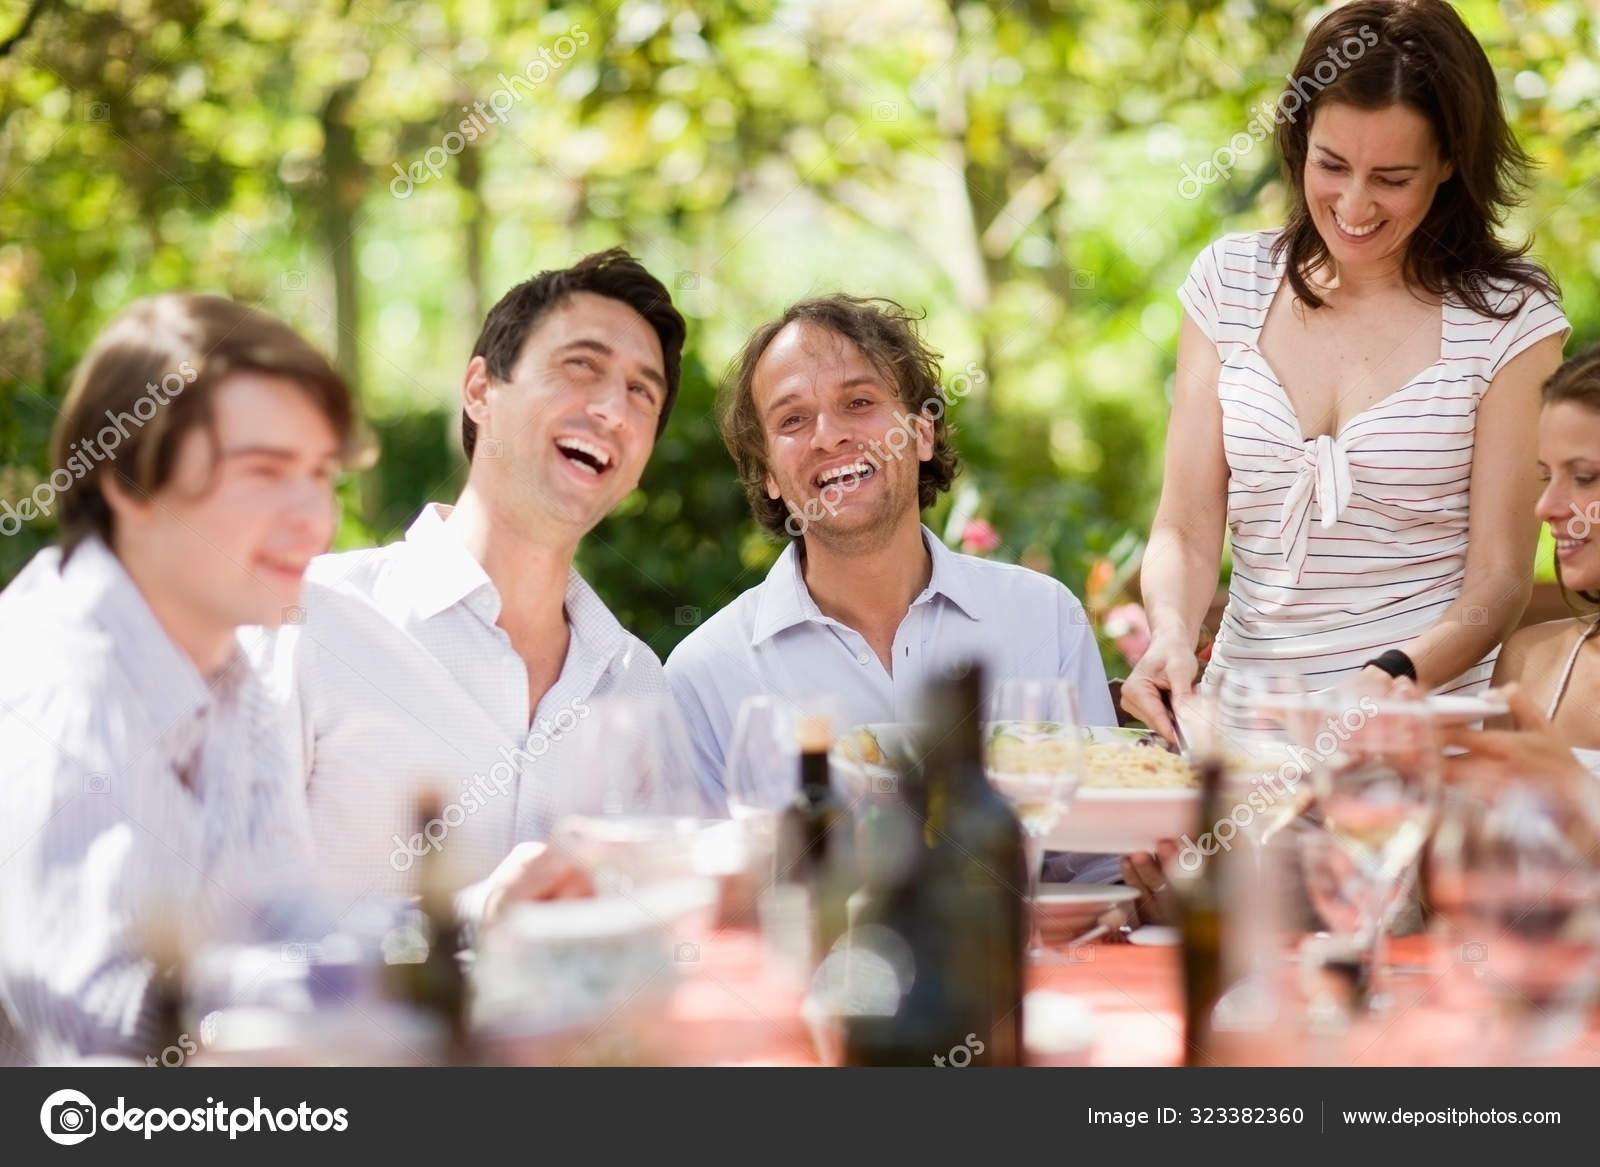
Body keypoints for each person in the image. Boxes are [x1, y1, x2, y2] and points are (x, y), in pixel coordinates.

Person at [1122, 0, 1569, 744]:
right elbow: (1187, 527)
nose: (1353, 205)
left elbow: (1499, 579)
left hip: (1414, 739)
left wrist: (1388, 676)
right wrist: (1170, 632)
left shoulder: (1509, 320)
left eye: (1392, 178)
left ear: (1449, 163)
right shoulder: (1229, 282)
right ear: (1300, 143)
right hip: (1233, 739)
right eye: (1331, 165)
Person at [273, 249, 706, 919]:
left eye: (641, 392)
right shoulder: (308, 620)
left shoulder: (636, 684)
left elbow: (670, 925)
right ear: (480, 390)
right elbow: (221, 924)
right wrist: (469, 918)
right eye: (581, 366)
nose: (612, 408)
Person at [0, 294, 361, 1062]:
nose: (314, 519)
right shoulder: (51, 687)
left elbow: (294, 921)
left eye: (321, 474)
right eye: (265, 472)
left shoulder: (234, 674)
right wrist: (362, 995)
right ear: (128, 481)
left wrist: (472, 931)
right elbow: (101, 1009)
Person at [665, 294, 1119, 885]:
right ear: (771, 475)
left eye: (859, 402)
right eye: (793, 419)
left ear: (921, 432)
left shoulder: (1045, 618)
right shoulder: (703, 674)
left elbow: (1099, 865)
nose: (829, 435)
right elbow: (699, 899)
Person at [1443, 346, 1600, 793]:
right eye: (1546, 476)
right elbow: (1478, 853)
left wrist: (1574, 795)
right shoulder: (1531, 664)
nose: (1546, 507)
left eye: (1585, 477)